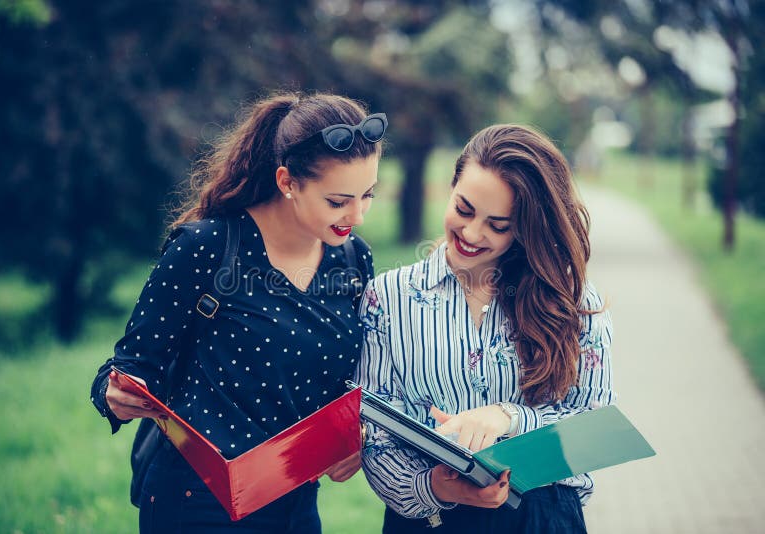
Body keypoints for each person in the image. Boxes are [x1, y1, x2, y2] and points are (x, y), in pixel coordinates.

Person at [90, 91, 386, 533]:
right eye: (339, 201)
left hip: (296, 504)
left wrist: (356, 440)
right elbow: (130, 367)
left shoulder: (352, 259)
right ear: (287, 182)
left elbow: (356, 381)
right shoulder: (207, 247)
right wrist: (116, 395)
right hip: (196, 504)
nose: (357, 216)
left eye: (368, 196)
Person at [356, 124, 614, 533]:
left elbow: (594, 431)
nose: (472, 234)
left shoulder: (574, 303)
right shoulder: (387, 298)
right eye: (463, 209)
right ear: (451, 186)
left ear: (527, 228)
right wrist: (436, 487)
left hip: (542, 518)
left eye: (498, 225)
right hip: (433, 521)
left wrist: (507, 417)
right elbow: (374, 437)